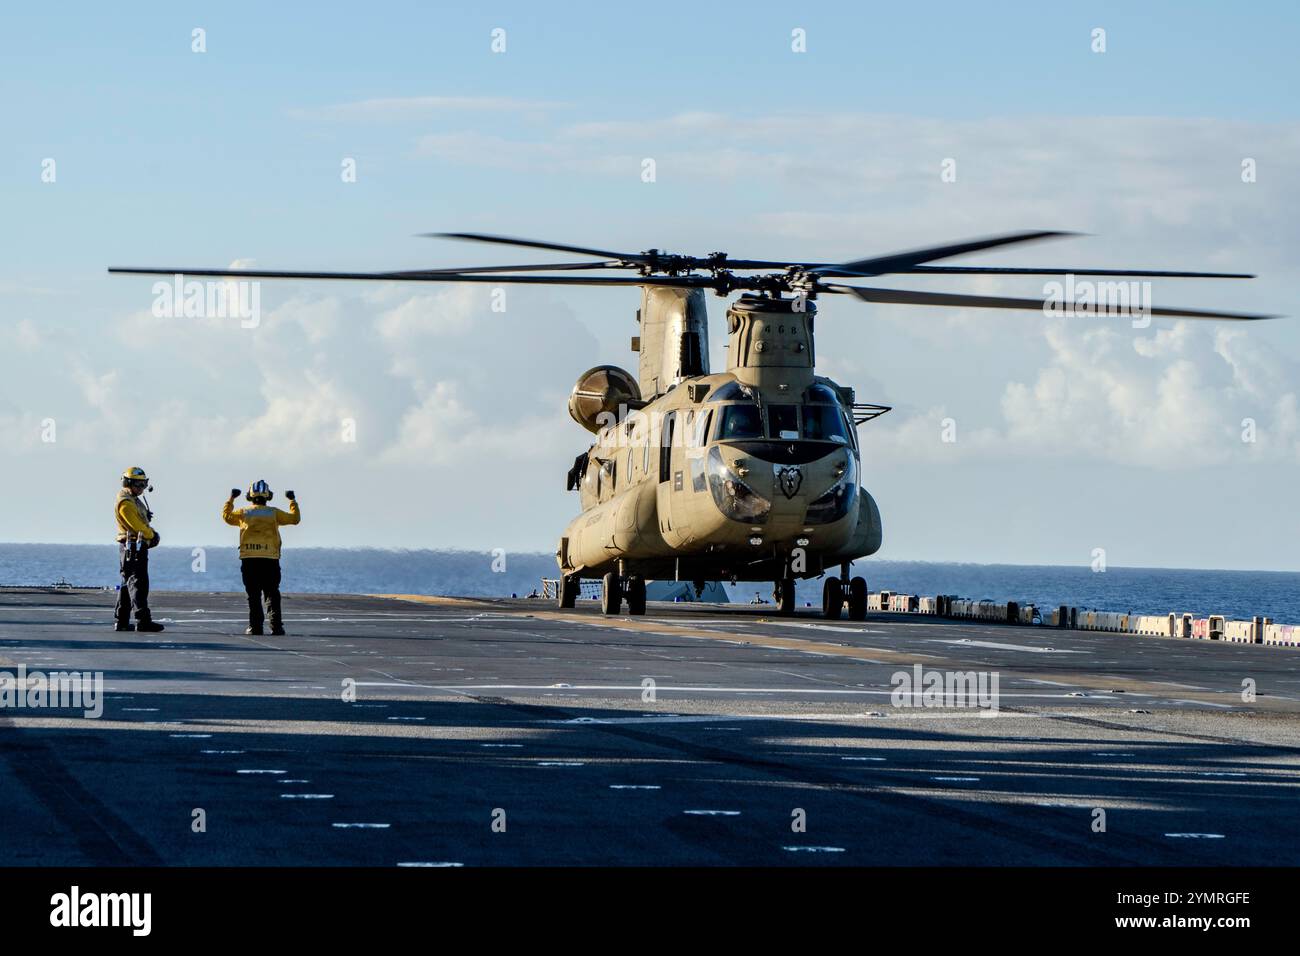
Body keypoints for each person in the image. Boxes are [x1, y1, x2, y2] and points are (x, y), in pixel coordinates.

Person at [222, 480, 301, 635]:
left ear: (249, 496)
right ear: (268, 496)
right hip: (270, 559)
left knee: (253, 594)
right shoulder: (273, 512)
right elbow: (295, 519)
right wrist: (292, 500)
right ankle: (276, 627)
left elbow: (226, 516)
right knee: (272, 593)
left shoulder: (244, 512)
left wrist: (231, 498)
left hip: (250, 559)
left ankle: (255, 627)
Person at [114, 466, 164, 632]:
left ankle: (121, 620)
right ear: (128, 483)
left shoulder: (133, 499)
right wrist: (152, 535)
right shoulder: (126, 503)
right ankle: (142, 620)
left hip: (134, 545)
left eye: (143, 484)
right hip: (134, 546)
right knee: (138, 583)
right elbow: (136, 527)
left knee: (127, 583)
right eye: (138, 484)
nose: (142, 488)